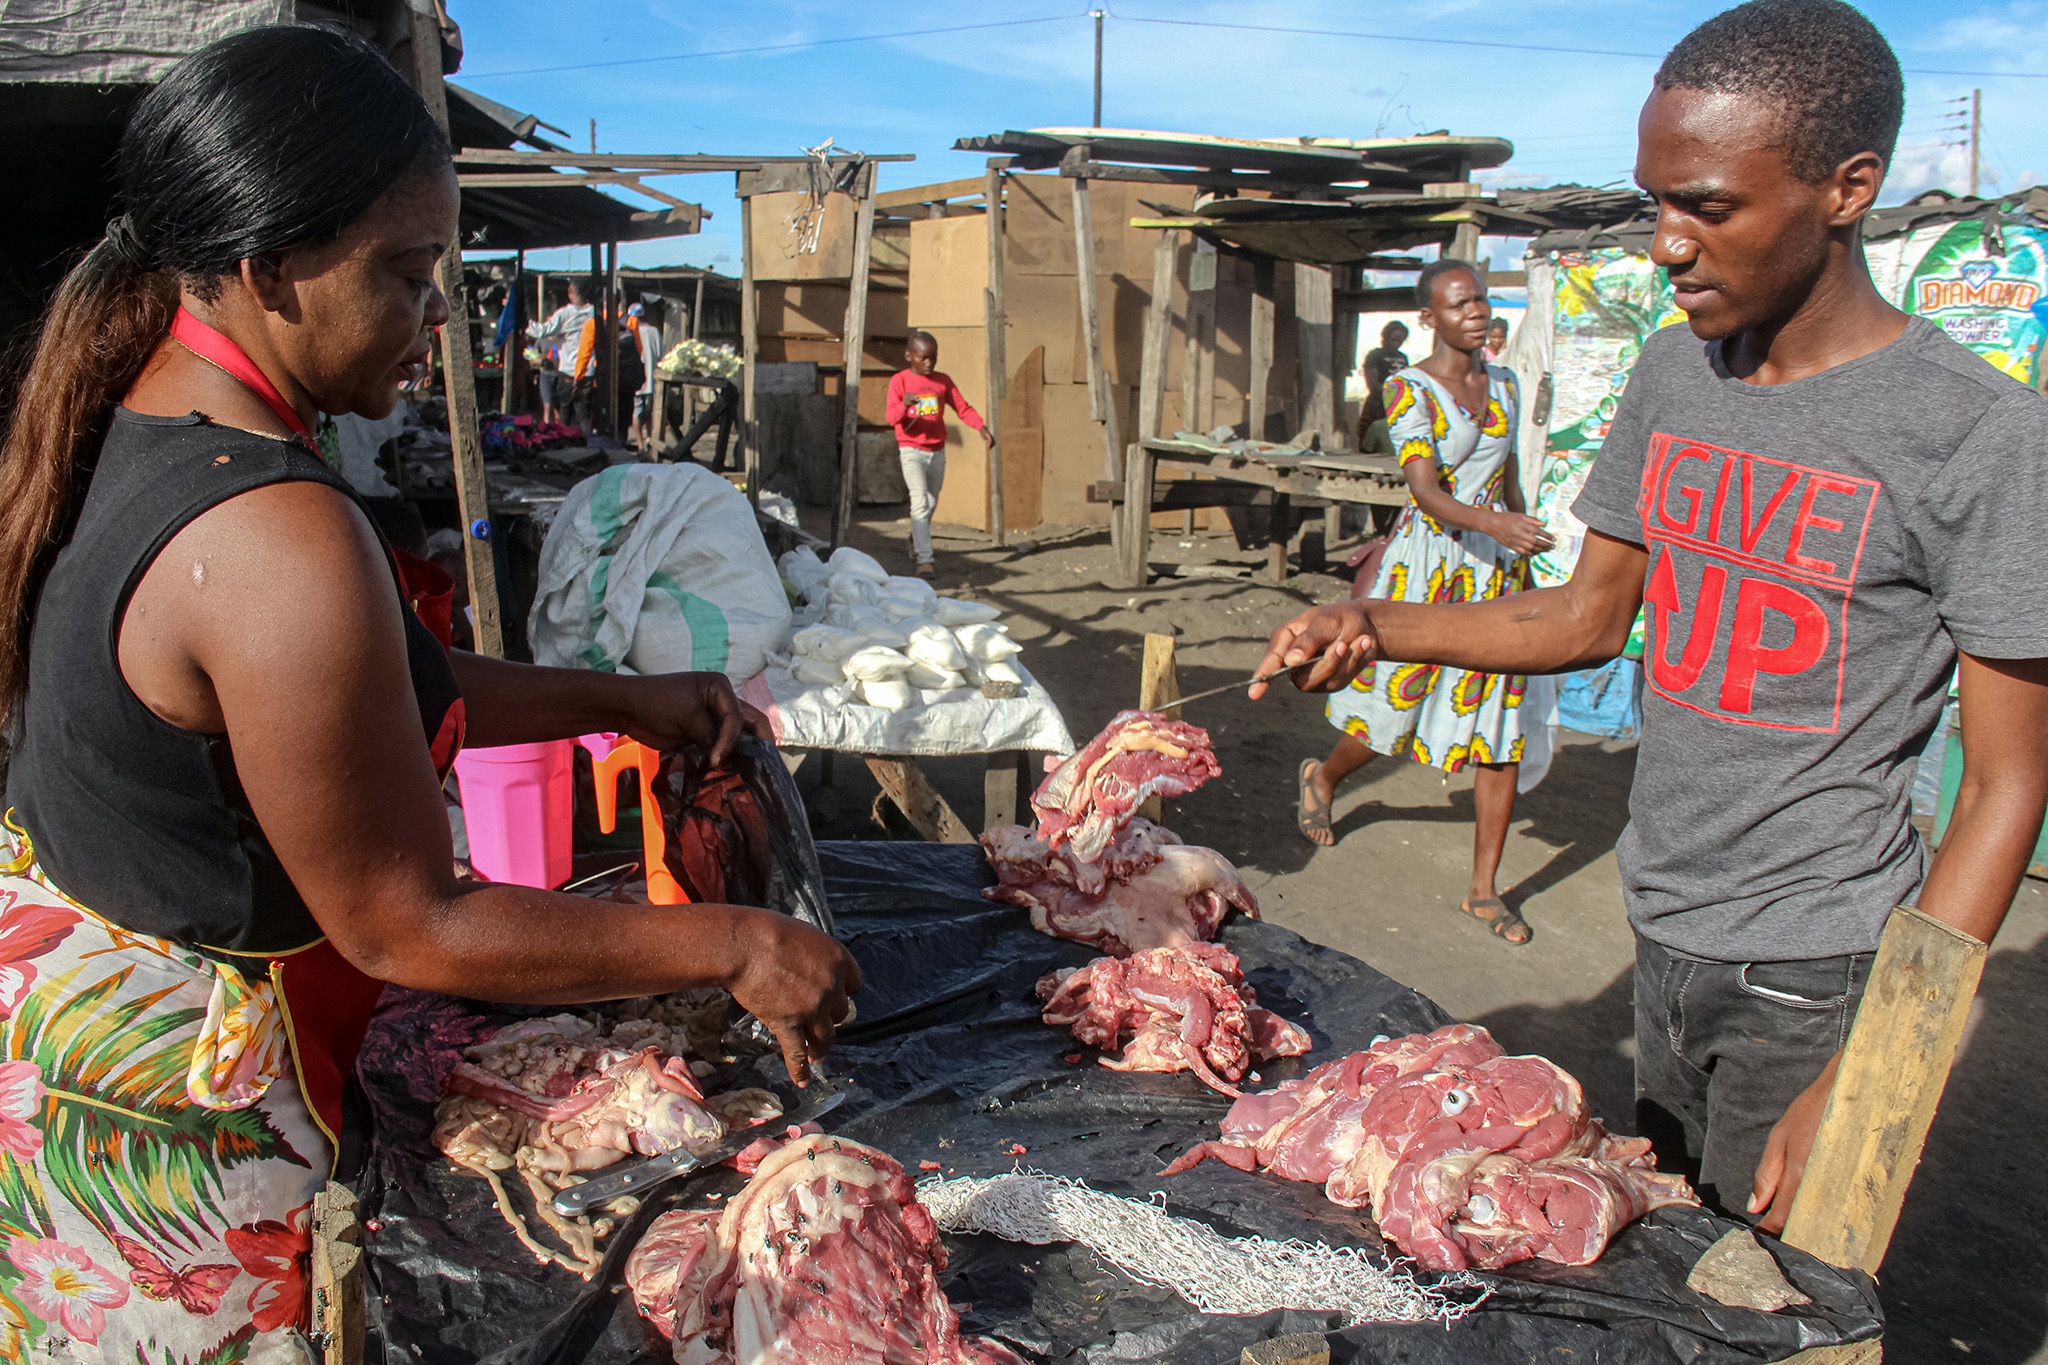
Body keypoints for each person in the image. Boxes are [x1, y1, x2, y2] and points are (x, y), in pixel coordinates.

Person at [0, 28, 858, 1357]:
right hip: (173, 1117)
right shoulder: (275, 535)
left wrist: (617, 701)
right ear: (265, 266)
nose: (436, 317)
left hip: (80, 1025)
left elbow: (379, 692)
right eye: (404, 276)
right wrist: (736, 943)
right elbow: (407, 925)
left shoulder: (157, 424)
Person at [1253, 0, 2048, 1227]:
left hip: (1821, 966)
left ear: (1846, 189)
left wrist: (1876, 1064)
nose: (1665, 246)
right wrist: (1374, 627)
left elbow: (2002, 785)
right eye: (1653, 204)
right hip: (1659, 919)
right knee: (1652, 1243)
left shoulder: (1976, 435)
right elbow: (1580, 616)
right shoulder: (1678, 370)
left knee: (1772, 1289)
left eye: (1709, 207)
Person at [1297, 259, 1554, 946]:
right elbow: (1425, 491)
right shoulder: (1408, 389)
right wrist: (1492, 522)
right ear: (1429, 318)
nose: (1476, 312)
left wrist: (1522, 543)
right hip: (1429, 570)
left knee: (1500, 726)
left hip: (1495, 574)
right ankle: (1323, 776)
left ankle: (1483, 891)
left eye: (1480, 301)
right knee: (1398, 706)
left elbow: (1512, 478)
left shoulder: (1504, 380)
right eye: (1460, 303)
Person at [885, 330, 991, 577]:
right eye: (923, 358)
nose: (929, 363)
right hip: (911, 450)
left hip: (937, 451)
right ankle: (925, 561)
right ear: (909, 356)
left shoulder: (943, 381)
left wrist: (981, 427)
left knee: (931, 502)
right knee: (919, 501)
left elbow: (962, 407)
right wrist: (905, 406)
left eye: (933, 358)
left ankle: (915, 537)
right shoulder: (899, 381)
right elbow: (890, 417)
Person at [527, 276, 591, 426]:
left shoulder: (566, 314)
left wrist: (524, 321)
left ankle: (565, 441)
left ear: (570, 292)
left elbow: (542, 331)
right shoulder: (595, 312)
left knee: (565, 411)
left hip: (568, 370)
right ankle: (589, 442)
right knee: (584, 414)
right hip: (588, 371)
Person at [1356, 320, 1411, 449]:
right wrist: (1390, 395)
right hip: (1377, 404)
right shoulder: (1375, 355)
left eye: (1400, 341)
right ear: (1385, 337)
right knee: (1370, 438)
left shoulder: (1403, 357)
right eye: (1394, 339)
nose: (1396, 344)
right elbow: (1373, 384)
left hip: (1398, 403)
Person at [630, 301, 662, 448]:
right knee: (650, 413)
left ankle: (639, 443)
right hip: (651, 379)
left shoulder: (630, 332)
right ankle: (650, 439)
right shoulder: (654, 331)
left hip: (636, 379)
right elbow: (661, 355)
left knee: (637, 412)